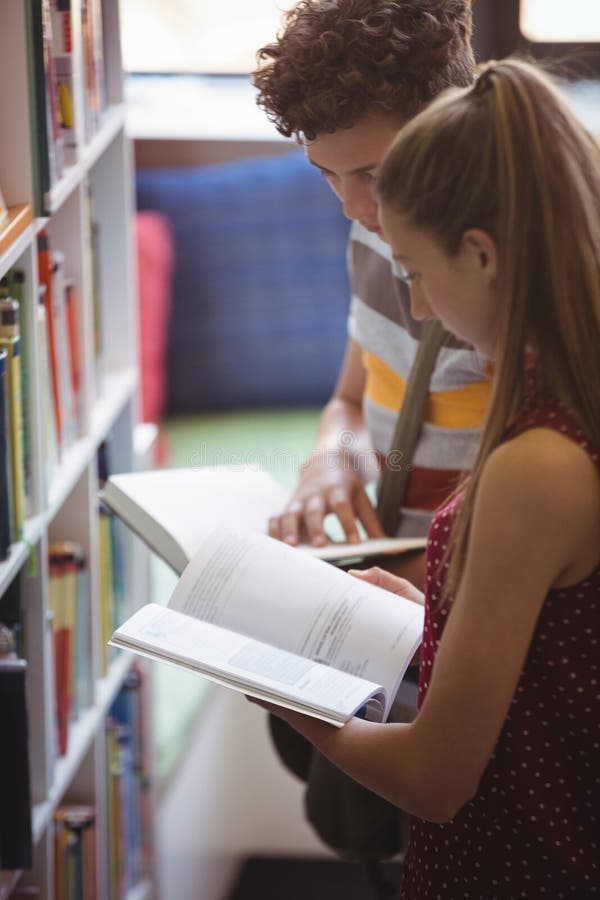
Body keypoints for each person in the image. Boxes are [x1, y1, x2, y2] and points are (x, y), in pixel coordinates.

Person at [255, 58, 600, 897]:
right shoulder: (562, 403)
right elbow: (556, 648)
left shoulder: (537, 462)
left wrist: (292, 698)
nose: (413, 306)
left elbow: (437, 780)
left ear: (479, 254)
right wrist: (431, 613)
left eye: (414, 273)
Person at [253, 0, 491, 585]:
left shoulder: (503, 281)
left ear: (450, 122)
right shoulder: (374, 235)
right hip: (394, 581)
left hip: (467, 596)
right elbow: (352, 400)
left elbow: (542, 515)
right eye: (327, 174)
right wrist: (333, 460)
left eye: (374, 175)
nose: (354, 209)